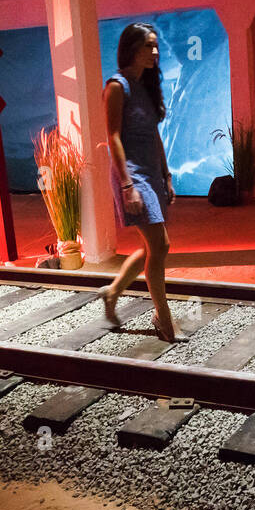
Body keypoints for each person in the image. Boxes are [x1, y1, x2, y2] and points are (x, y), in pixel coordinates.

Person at [99, 23, 182, 342]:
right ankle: (164, 319)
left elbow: (154, 135)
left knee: (151, 246)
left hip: (151, 172)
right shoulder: (116, 86)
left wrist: (166, 174)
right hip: (131, 175)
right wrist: (126, 185)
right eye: (149, 46)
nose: (155, 52)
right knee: (161, 245)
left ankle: (113, 291)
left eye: (156, 46)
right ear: (132, 47)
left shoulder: (145, 85)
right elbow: (113, 137)